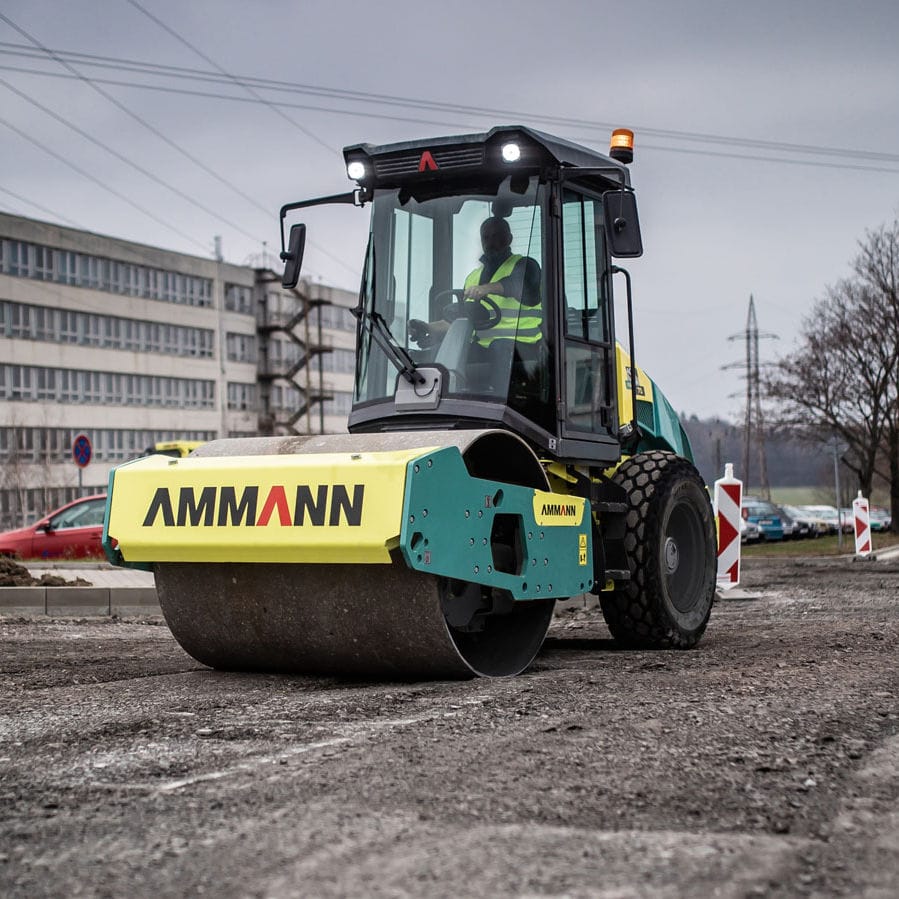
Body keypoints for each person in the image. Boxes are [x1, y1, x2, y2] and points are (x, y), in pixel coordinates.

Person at [408, 216, 542, 351]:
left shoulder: (526, 266)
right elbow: (462, 319)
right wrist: (429, 327)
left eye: (496, 236)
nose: (490, 242)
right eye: (486, 237)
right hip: (484, 347)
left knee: (500, 346)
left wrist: (486, 289)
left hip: (524, 351)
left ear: (509, 239)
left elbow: (517, 285)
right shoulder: (473, 277)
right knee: (449, 351)